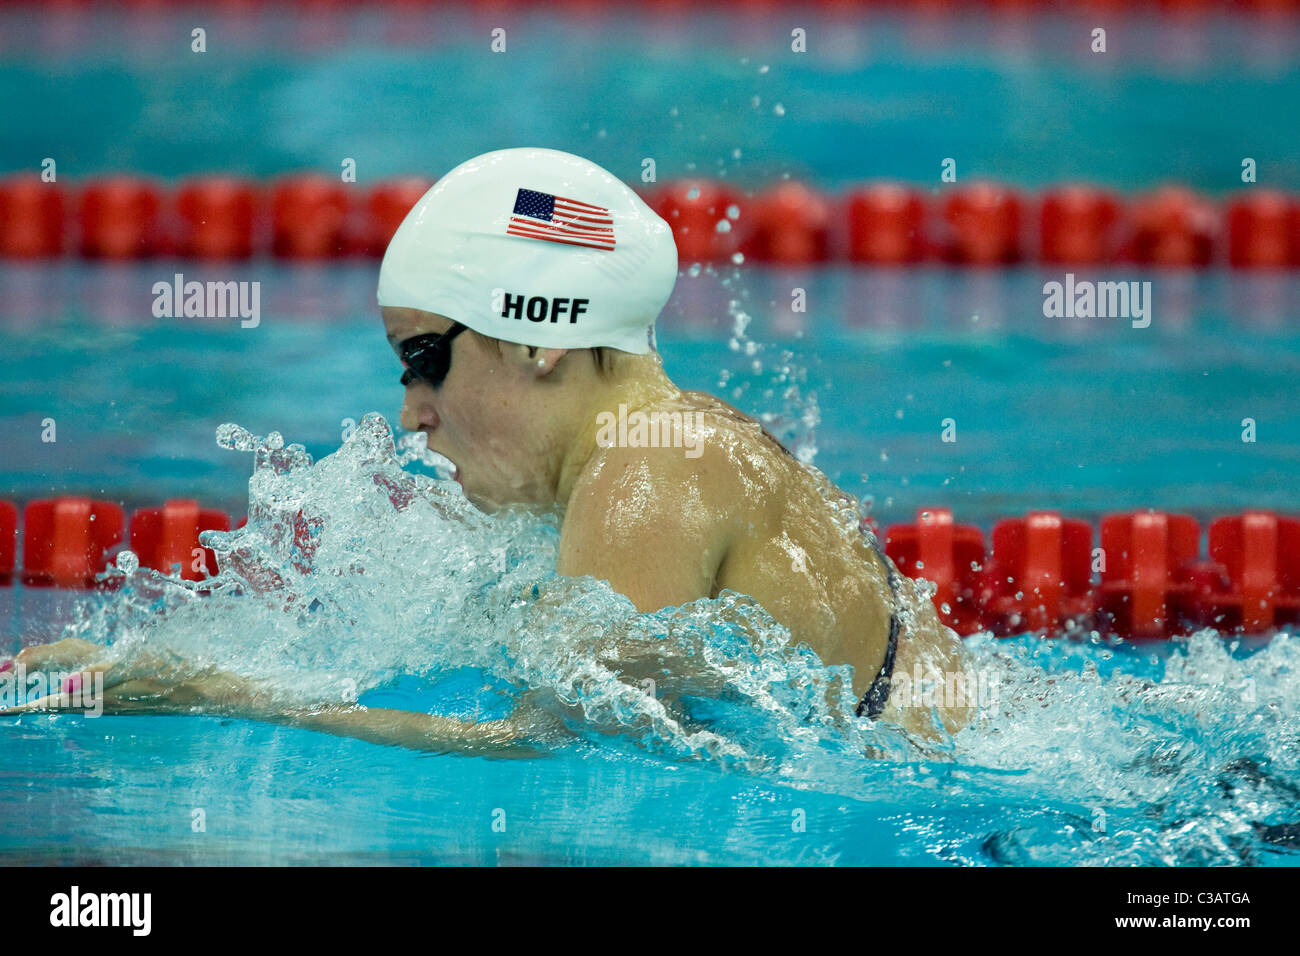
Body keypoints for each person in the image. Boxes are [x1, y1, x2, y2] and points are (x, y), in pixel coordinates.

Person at [3, 148, 974, 748]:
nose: (413, 413)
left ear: (539, 337)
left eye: (424, 359)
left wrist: (208, 691)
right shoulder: (675, 438)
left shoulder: (646, 473)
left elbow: (541, 748)